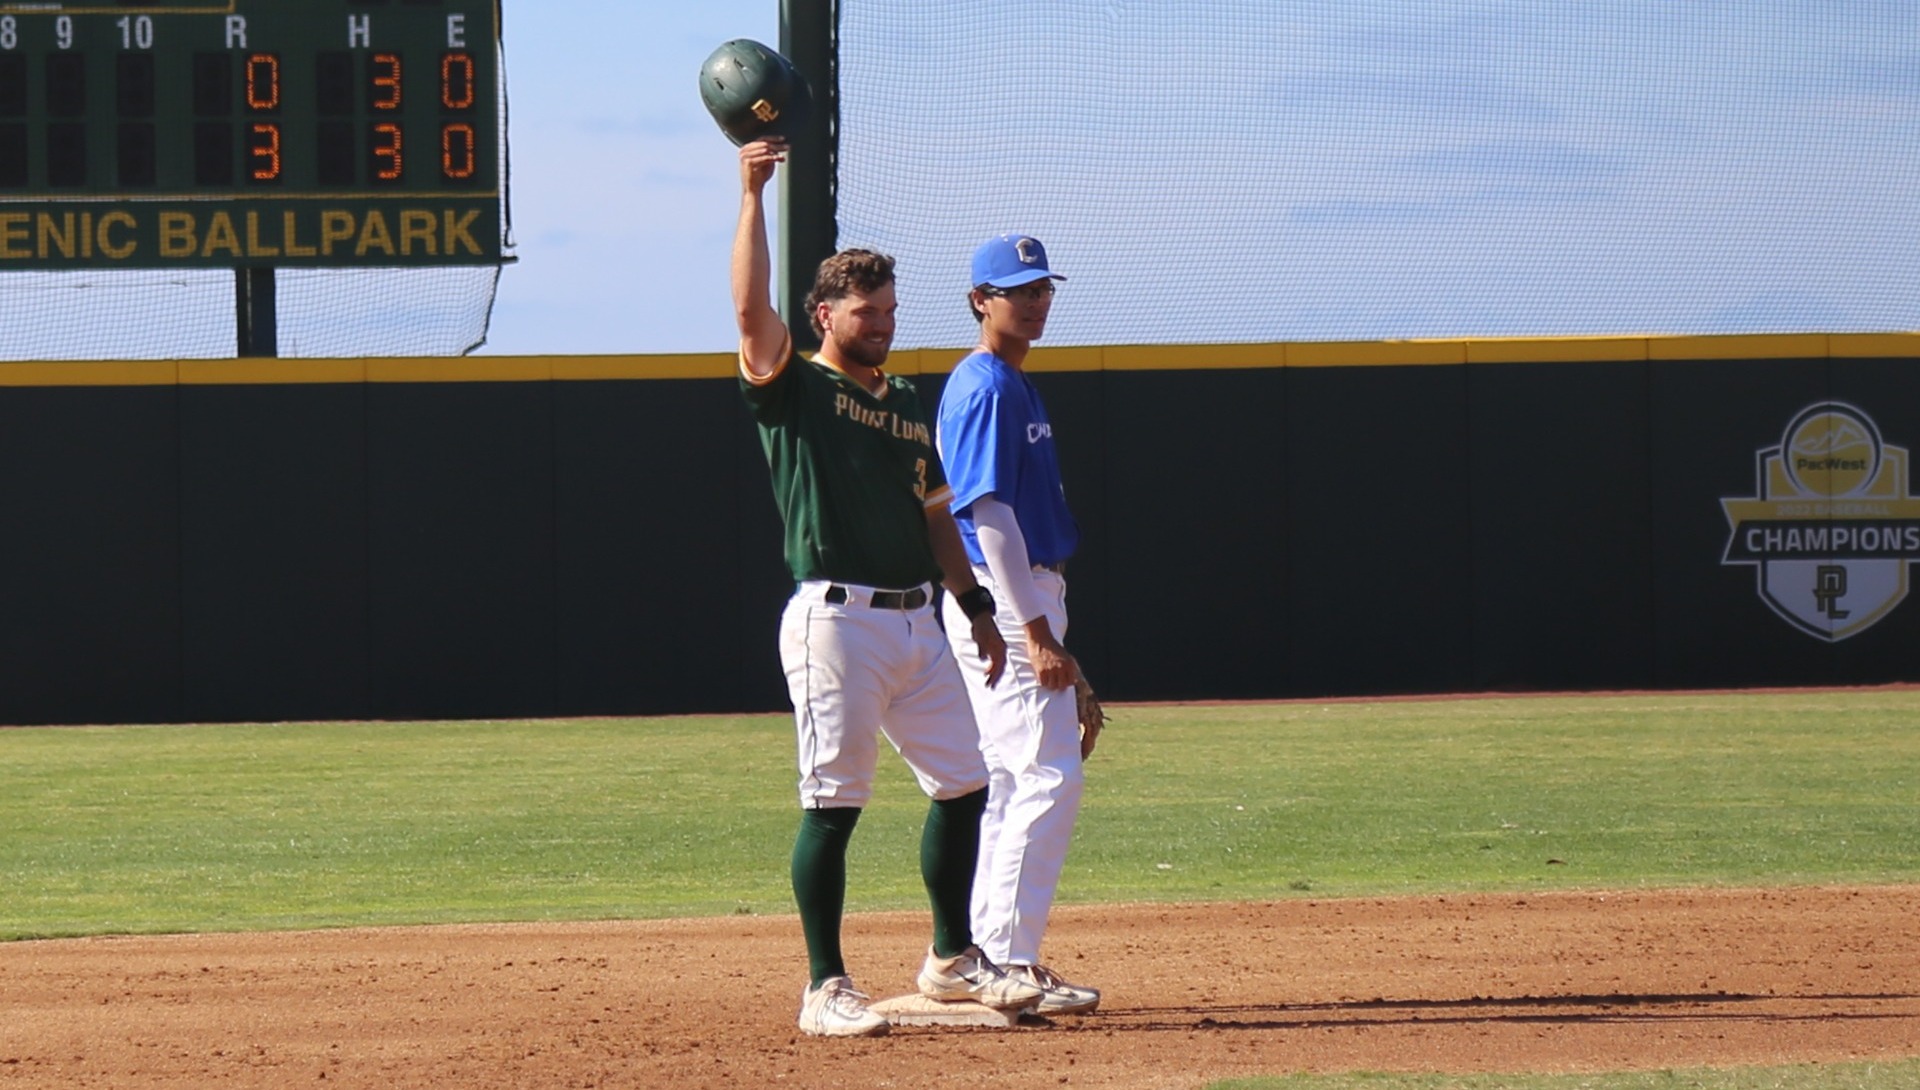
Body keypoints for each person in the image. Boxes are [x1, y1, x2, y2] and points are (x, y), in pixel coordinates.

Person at [731, 138, 1046, 1038]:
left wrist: (979, 610)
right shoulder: (795, 388)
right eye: (866, 311)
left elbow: (937, 517)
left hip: (919, 621)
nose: (883, 323)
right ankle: (824, 986)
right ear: (825, 313)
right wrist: (752, 194)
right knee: (834, 802)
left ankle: (951, 960)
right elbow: (750, 305)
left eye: (891, 310)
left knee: (964, 782)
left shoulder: (907, 398)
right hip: (835, 620)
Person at [934, 233, 1101, 1015]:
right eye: (1017, 290)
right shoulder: (985, 387)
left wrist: (1051, 632)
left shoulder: (1012, 382)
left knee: (1016, 777)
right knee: (1045, 776)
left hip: (1025, 595)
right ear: (980, 300)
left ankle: (991, 954)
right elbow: (986, 511)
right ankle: (1007, 959)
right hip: (1010, 594)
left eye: (1042, 289)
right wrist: (1035, 630)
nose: (1035, 301)